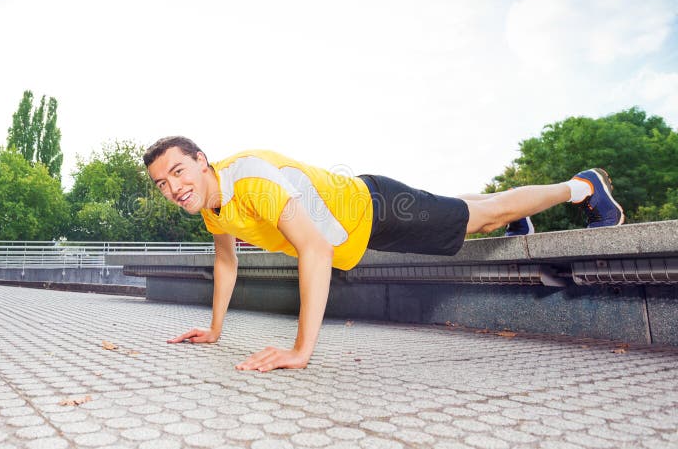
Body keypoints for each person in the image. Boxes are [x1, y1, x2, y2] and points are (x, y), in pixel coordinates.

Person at [143, 136, 624, 372]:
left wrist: (301, 351)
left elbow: (314, 249)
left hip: (375, 210)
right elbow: (227, 261)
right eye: (163, 184)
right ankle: (518, 217)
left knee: (484, 215)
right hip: (367, 214)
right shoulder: (211, 207)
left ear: (203, 161)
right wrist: (215, 330)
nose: (174, 188)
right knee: (474, 211)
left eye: (180, 172)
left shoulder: (249, 183)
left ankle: (582, 187)